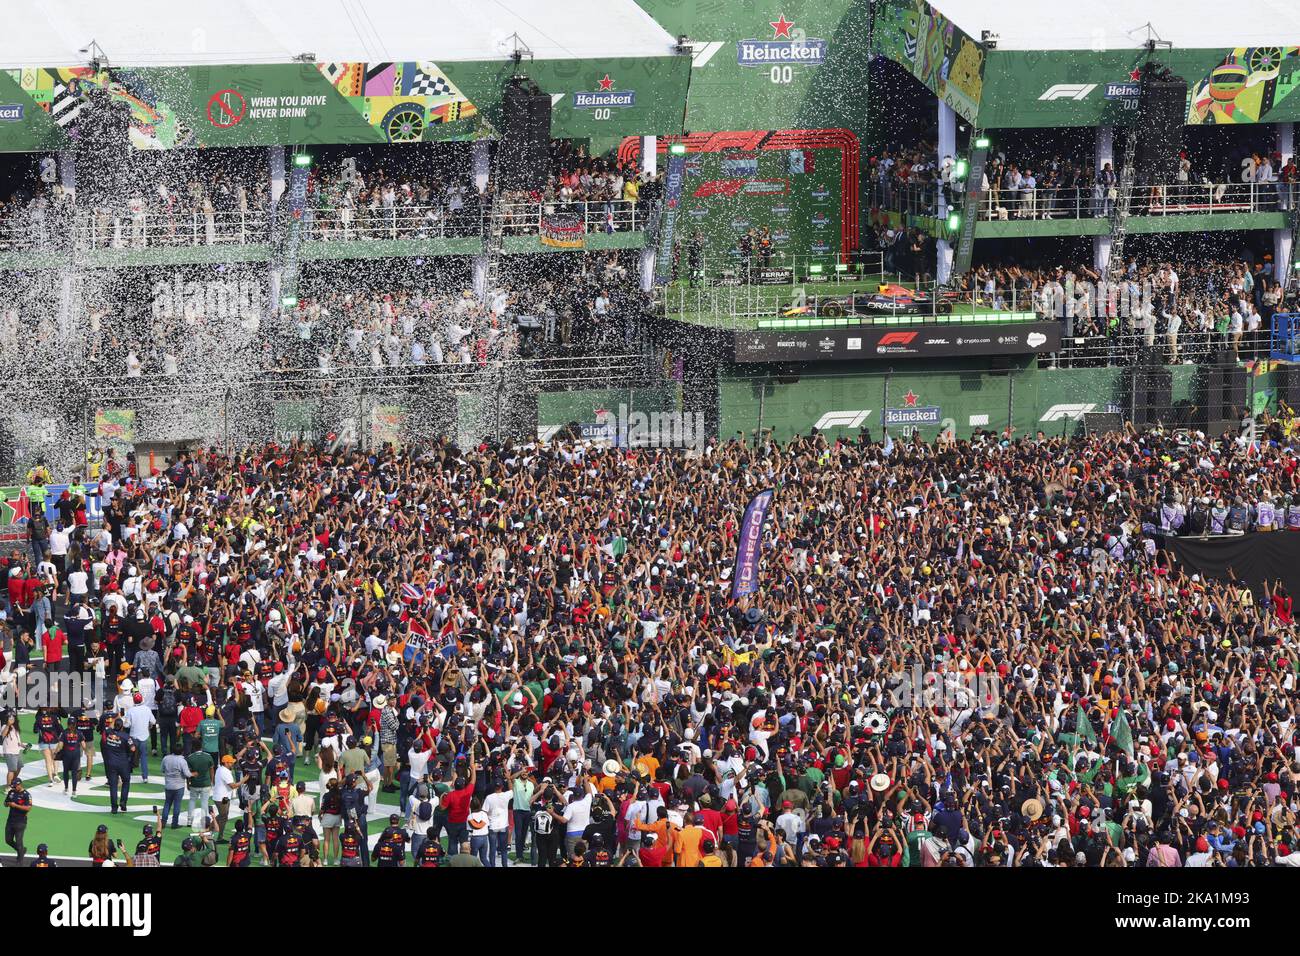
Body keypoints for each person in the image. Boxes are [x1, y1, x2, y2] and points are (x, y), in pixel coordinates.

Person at [4, 778, 31, 864]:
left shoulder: (26, 795)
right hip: (10, 820)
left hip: (20, 822)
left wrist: (15, 805)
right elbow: (5, 803)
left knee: (19, 842)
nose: (14, 788)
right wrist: (7, 803)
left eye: (15, 786)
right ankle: (22, 850)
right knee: (8, 840)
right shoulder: (11, 792)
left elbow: (28, 808)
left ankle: (20, 861)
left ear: (20, 785)